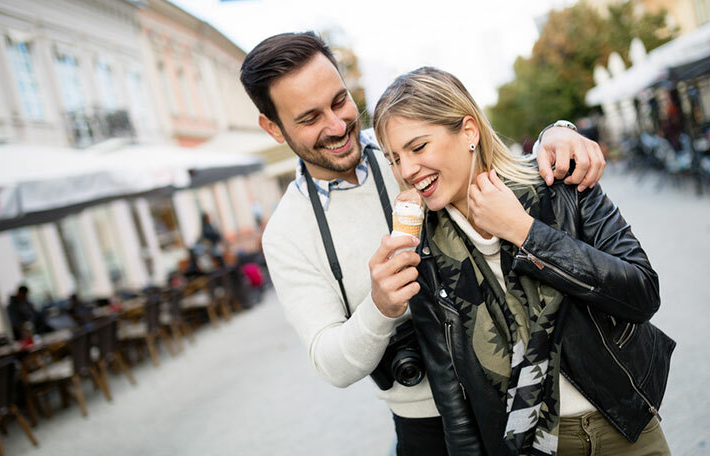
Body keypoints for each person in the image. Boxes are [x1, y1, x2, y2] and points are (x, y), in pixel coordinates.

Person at [239, 32, 606, 455]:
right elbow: (330, 362)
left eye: (340, 101)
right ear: (273, 127)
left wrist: (555, 134)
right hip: (425, 422)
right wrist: (380, 308)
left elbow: (489, 157)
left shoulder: (407, 151)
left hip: (516, 390)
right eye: (309, 118)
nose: (338, 126)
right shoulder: (287, 233)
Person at [372, 67, 674, 455]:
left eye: (418, 147)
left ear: (468, 131)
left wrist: (527, 233)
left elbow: (643, 293)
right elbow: (452, 397)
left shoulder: (560, 184)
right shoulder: (422, 254)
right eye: (393, 158)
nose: (406, 170)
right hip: (531, 446)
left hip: (625, 426)